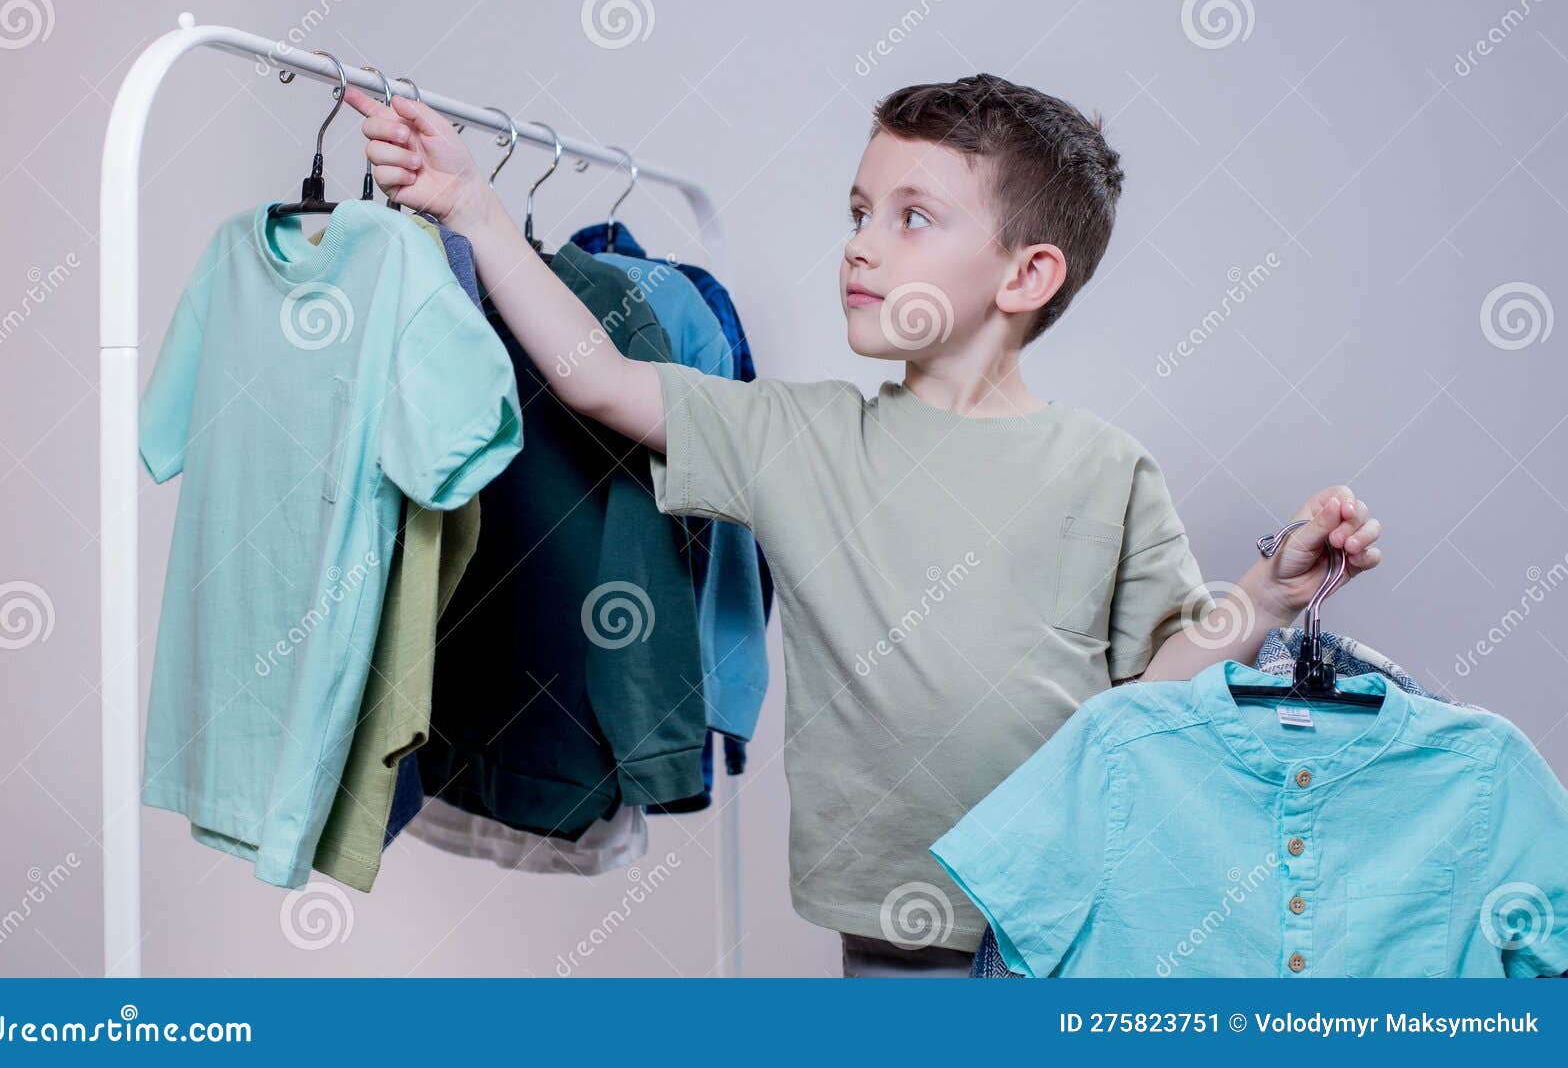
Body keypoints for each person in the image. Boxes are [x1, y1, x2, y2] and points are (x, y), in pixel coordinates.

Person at [345, 74, 1384, 977]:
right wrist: (473, 207)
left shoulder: (1105, 470)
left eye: (911, 217)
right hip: (895, 926)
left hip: (1077, 917)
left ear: (1026, 275)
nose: (860, 245)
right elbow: (602, 381)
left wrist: (1267, 596)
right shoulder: (802, 439)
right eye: (858, 212)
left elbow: (1149, 694)